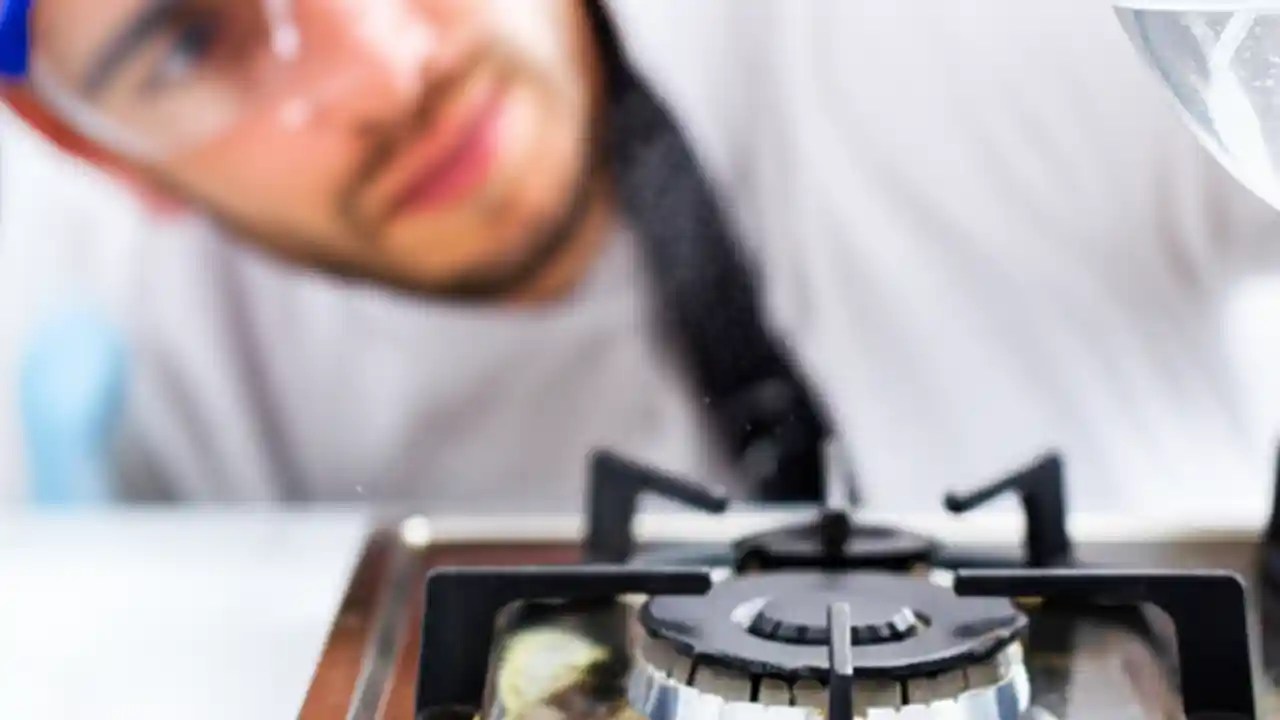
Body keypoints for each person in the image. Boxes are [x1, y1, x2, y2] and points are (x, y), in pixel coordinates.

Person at [0, 0, 1276, 514]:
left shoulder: (992, 34)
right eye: (188, 43)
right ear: (92, 148)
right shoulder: (157, 397)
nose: (393, 68)